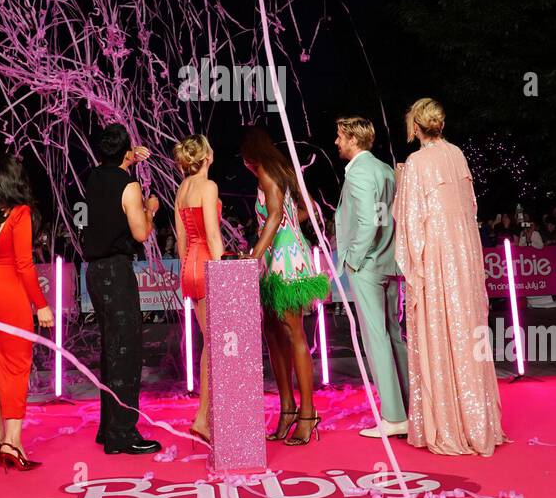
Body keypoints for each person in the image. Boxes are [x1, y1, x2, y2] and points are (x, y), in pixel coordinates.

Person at [392, 99, 505, 456]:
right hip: (464, 256)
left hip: (438, 259)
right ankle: (478, 420)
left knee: (440, 328)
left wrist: (400, 182)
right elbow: (470, 207)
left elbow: (410, 221)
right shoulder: (457, 154)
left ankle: (450, 423)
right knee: (467, 327)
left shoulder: (416, 163)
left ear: (415, 127)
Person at [240, 126, 328, 445]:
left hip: (285, 257)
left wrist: (253, 255)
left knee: (293, 334)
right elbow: (307, 210)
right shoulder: (281, 172)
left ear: (251, 155)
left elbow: (274, 216)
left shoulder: (267, 174)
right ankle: (288, 409)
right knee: (274, 333)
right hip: (278, 253)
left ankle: (307, 414)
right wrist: (290, 223)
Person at [82, 124, 162, 455]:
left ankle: (108, 428)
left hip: (94, 273)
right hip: (116, 271)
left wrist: (133, 158)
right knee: (126, 351)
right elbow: (141, 233)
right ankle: (123, 433)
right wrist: (151, 208)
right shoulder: (128, 186)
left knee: (109, 350)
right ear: (126, 152)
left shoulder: (92, 179)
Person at [0, 154, 54, 471]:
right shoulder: (21, 213)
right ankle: (13, 441)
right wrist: (42, 305)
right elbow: (24, 264)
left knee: (1, 364)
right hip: (10, 291)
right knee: (19, 365)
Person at [334, 116, 409, 439]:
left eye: (339, 136)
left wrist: (352, 258)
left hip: (368, 264)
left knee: (376, 337)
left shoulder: (361, 173)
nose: (336, 142)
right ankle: (408, 406)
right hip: (389, 262)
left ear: (353, 139)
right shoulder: (385, 169)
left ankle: (393, 416)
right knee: (393, 335)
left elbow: (368, 221)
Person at [172, 134, 223, 445]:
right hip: (207, 267)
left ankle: (206, 415)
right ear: (207, 157)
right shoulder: (207, 186)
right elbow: (214, 236)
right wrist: (223, 275)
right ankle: (203, 417)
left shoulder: (182, 189)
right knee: (215, 346)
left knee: (210, 344)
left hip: (189, 268)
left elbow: (181, 241)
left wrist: (187, 273)